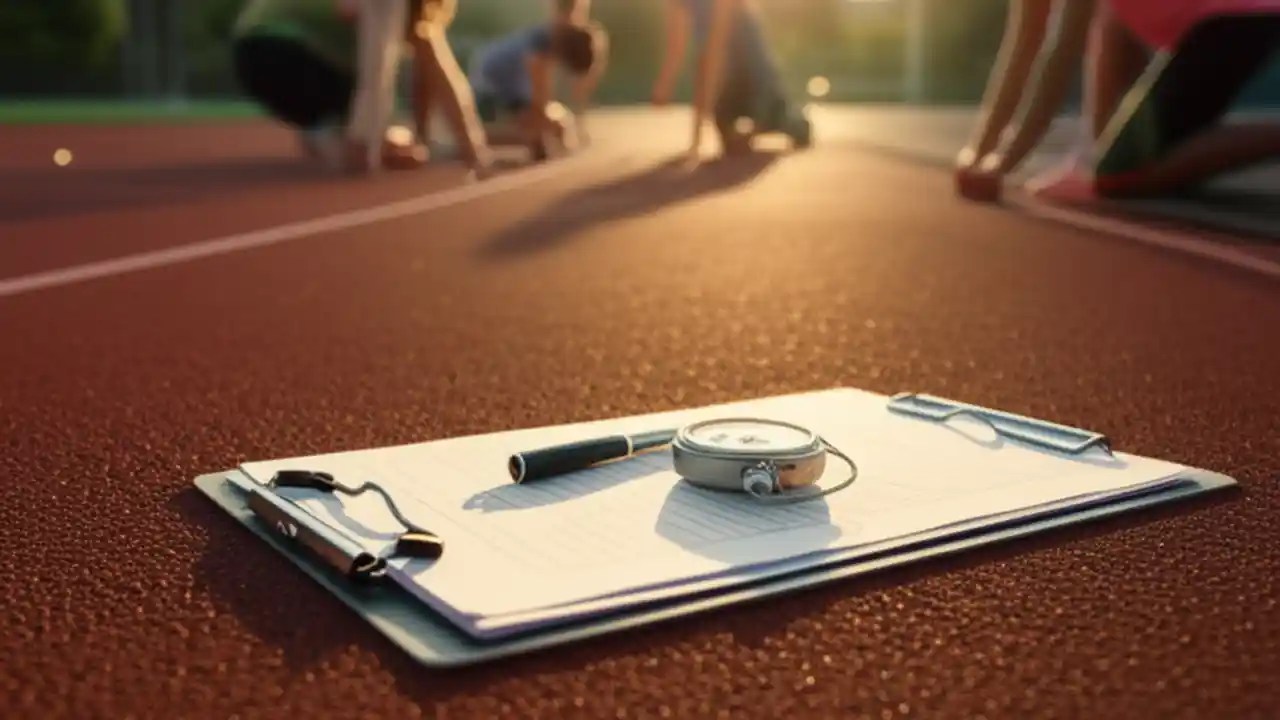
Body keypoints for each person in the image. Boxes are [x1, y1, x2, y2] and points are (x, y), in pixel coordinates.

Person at [957, 0, 1280, 202]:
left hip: (1237, 19)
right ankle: (1097, 154)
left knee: (1117, 176)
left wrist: (1002, 163)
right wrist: (977, 151)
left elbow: (1060, 54)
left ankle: (1117, 163)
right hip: (1222, 23)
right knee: (1107, 14)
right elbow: (1024, 44)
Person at [232, 0, 492, 174]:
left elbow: (434, 70)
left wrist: (468, 144)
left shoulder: (414, 15)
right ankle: (333, 137)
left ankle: (324, 129)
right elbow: (378, 70)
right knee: (381, 139)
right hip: (279, 50)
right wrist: (364, 145)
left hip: (250, 56)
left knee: (391, 138)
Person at [651, 0, 811, 163]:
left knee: (773, 117)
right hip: (727, 80)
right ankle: (746, 129)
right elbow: (677, 44)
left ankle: (791, 121)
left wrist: (696, 140)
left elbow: (716, 48)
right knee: (732, 142)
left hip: (754, 75)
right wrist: (664, 86)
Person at [466, 14, 609, 161]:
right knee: (551, 126)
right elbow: (540, 102)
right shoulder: (540, 48)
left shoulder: (549, 40)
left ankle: (479, 137)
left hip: (502, 85)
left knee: (552, 124)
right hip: (490, 88)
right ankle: (473, 138)